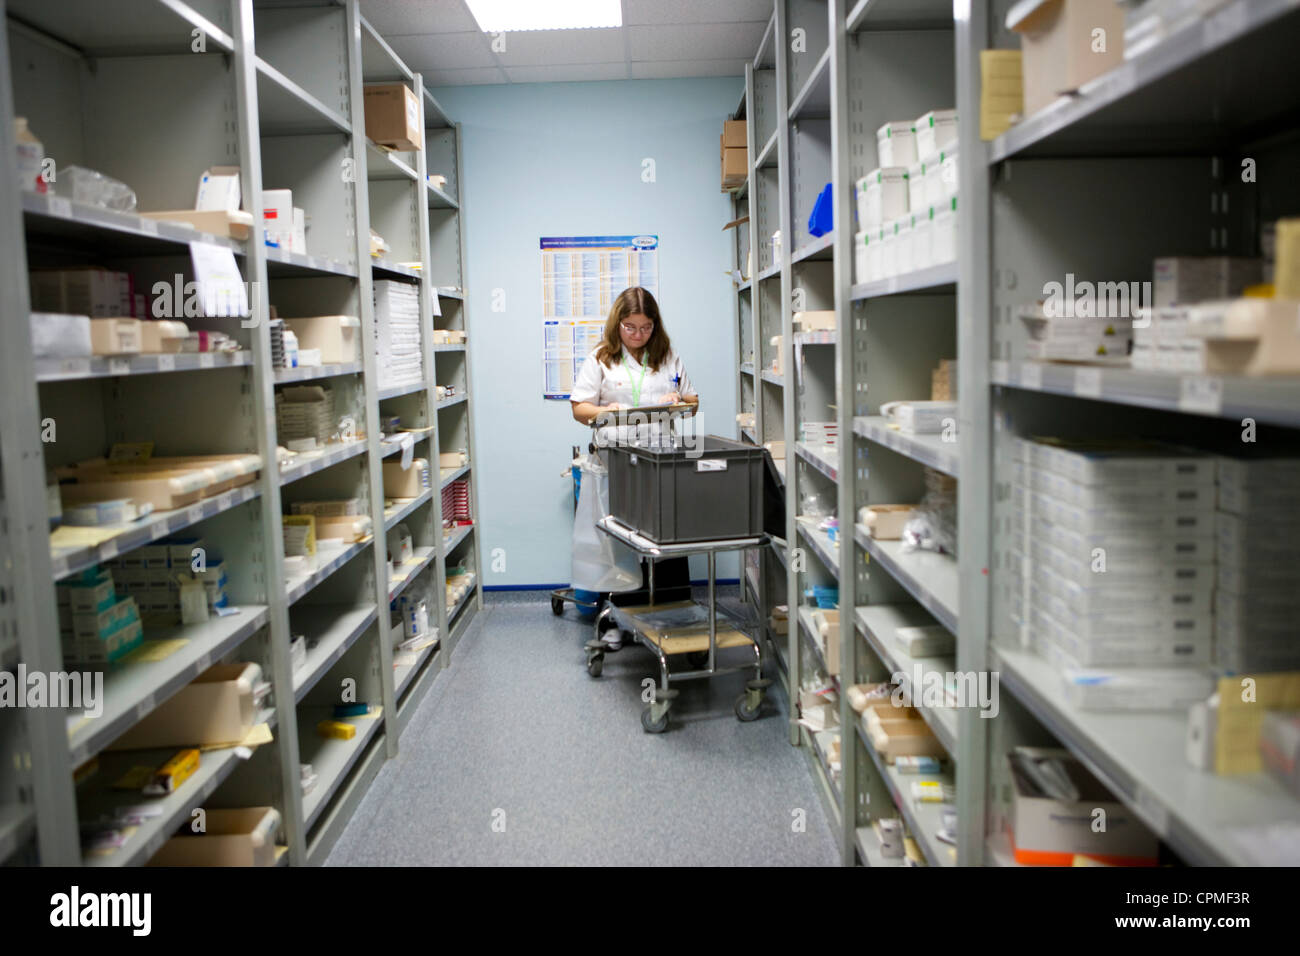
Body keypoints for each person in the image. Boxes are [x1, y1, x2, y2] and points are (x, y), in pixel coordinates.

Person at [569, 286, 698, 649]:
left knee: (666, 539)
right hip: (618, 463)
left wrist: (679, 402)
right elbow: (579, 408)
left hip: (660, 460)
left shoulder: (667, 354)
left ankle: (675, 619)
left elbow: (693, 401)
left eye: (645, 328)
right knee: (623, 541)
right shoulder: (601, 357)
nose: (638, 335)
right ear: (618, 323)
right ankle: (621, 622)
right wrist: (603, 412)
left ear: (655, 326)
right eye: (630, 327)